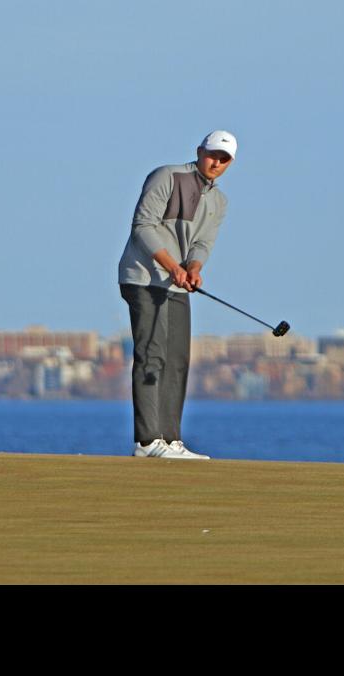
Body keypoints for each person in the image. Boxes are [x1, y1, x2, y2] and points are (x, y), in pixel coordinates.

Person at [118, 130, 236, 459]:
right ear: (200, 151)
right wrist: (172, 266)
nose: (216, 162)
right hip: (142, 278)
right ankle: (146, 441)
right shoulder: (167, 177)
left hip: (176, 283)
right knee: (152, 354)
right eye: (213, 154)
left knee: (178, 360)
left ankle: (169, 440)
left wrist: (194, 268)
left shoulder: (219, 202)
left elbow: (202, 243)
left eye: (224, 159)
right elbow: (143, 226)